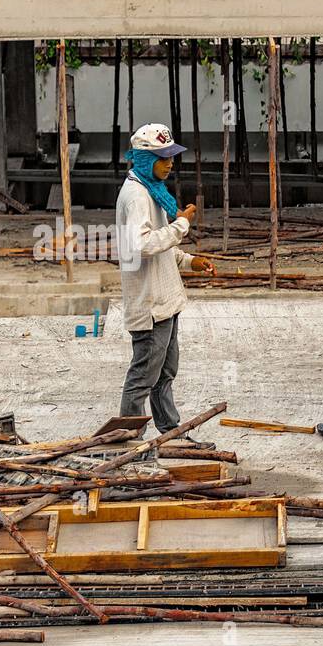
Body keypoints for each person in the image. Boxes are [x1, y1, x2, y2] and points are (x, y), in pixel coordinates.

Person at [115, 123, 214, 437]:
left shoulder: (152, 191)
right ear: (145, 160)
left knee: (164, 373)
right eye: (162, 157)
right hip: (150, 305)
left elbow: (160, 249)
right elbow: (141, 246)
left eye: (171, 156)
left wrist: (189, 261)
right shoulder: (136, 197)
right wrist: (181, 225)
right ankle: (128, 440)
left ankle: (170, 431)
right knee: (144, 376)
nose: (170, 163)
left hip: (166, 301)